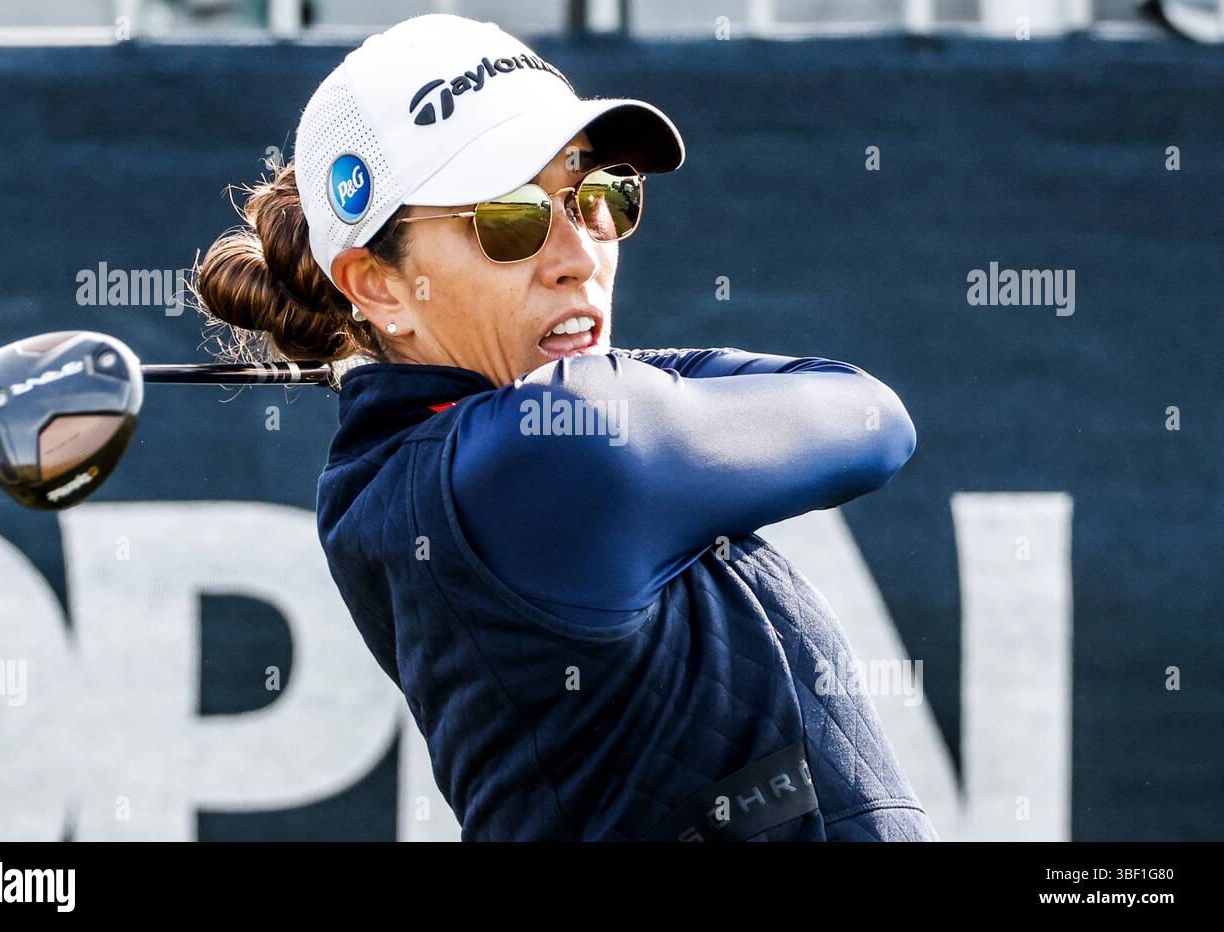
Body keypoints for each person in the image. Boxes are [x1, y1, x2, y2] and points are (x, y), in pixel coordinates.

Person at [193, 13, 938, 842]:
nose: (579, 253)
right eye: (508, 220)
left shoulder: (463, 453)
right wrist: (611, 380)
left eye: (596, 196)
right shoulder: (556, 452)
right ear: (380, 287)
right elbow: (872, 417)